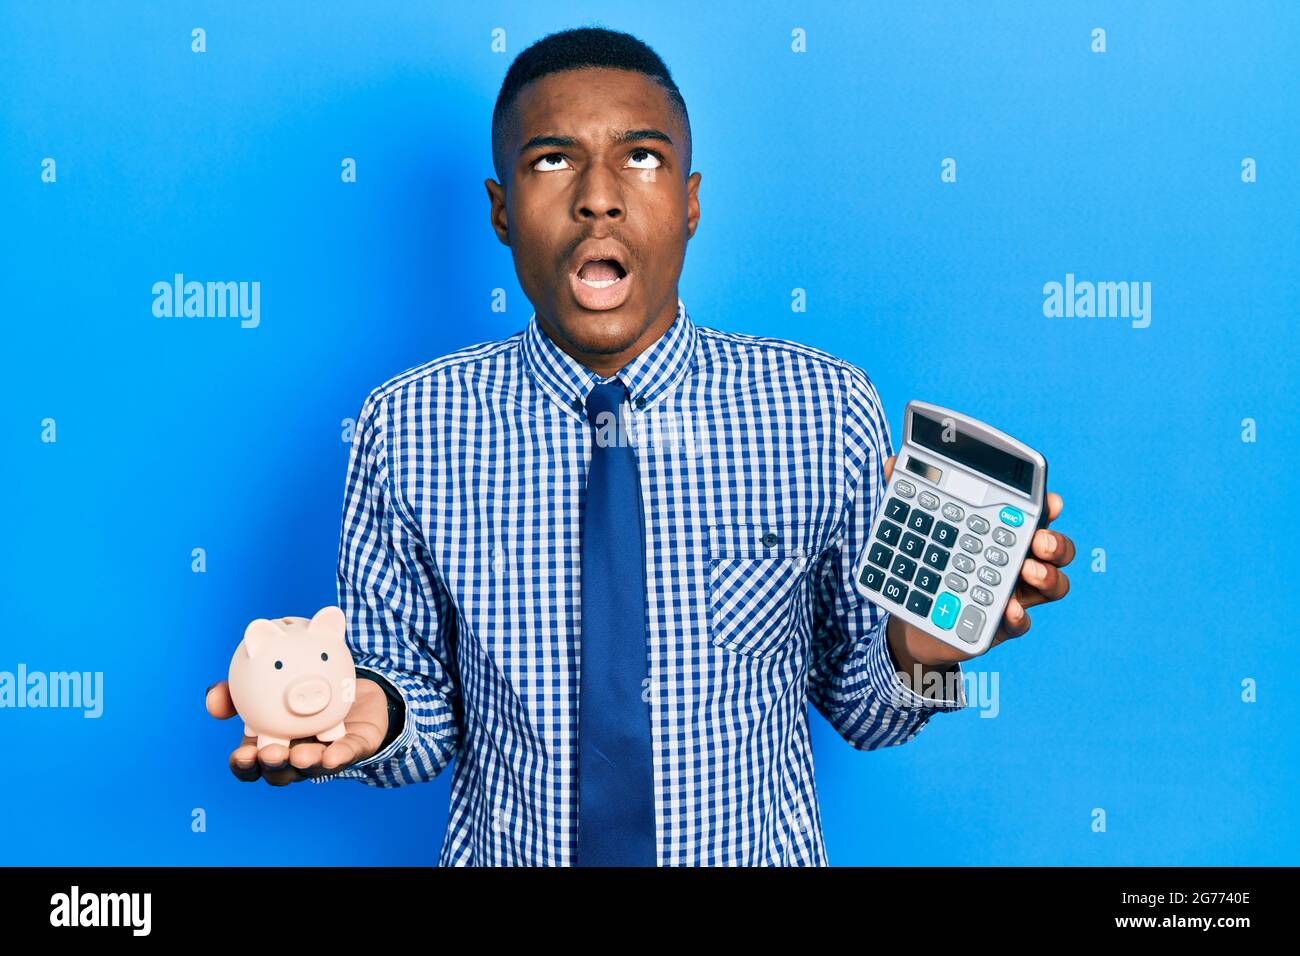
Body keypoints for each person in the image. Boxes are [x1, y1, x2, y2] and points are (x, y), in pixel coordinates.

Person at [205, 26, 1074, 866]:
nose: (598, 194)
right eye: (553, 160)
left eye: (642, 157)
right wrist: (371, 715)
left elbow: (865, 709)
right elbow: (416, 712)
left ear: (690, 203)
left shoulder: (824, 408)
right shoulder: (408, 425)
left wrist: (928, 653)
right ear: (502, 210)